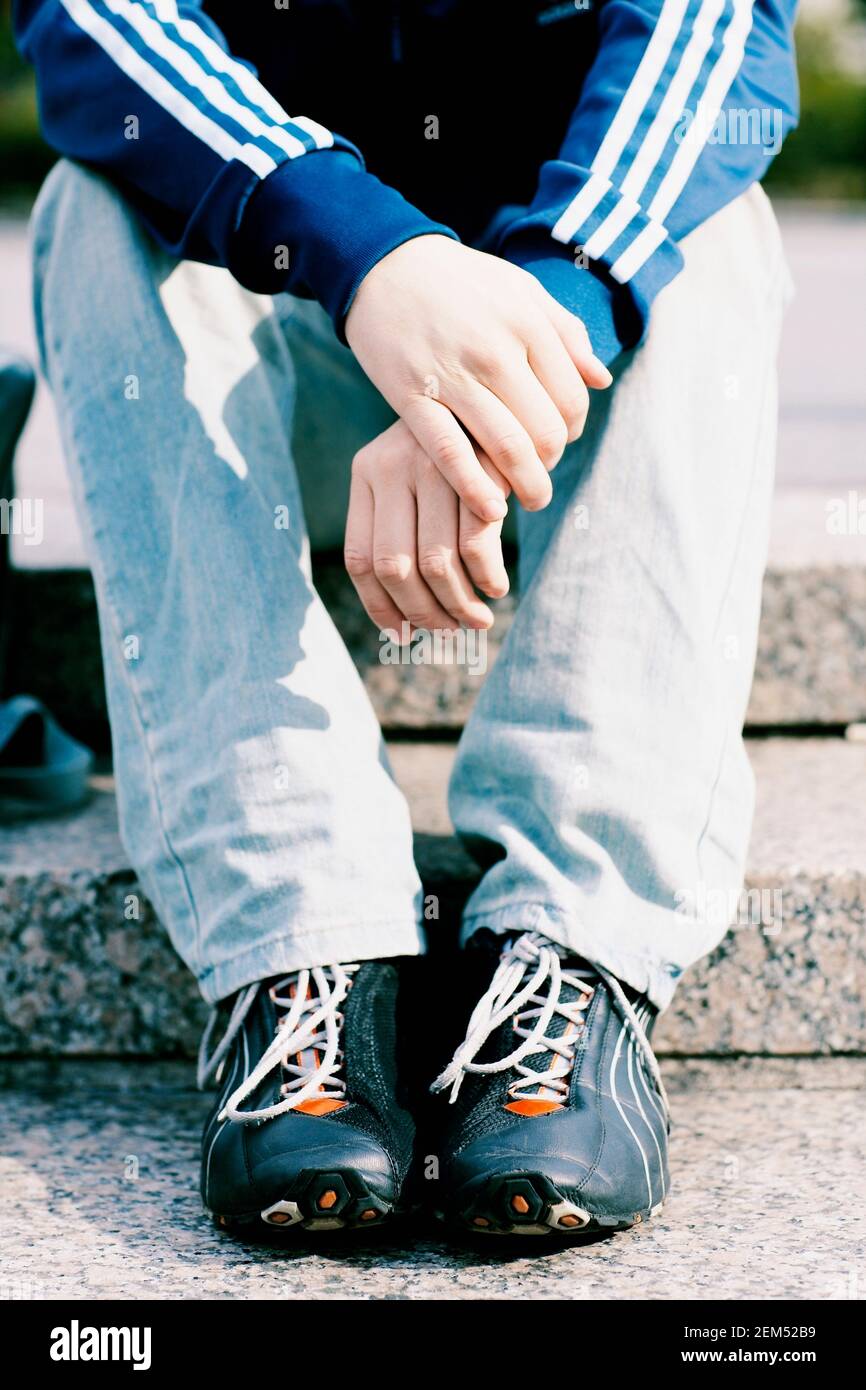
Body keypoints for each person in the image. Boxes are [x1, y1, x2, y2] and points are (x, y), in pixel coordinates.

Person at [14, 0, 797, 1238]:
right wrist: (369, 257)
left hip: (559, 352)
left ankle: (574, 950)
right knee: (92, 212)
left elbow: (708, 42)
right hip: (293, 336)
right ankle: (293, 941)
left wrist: (509, 359)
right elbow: (98, 19)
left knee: (715, 233)